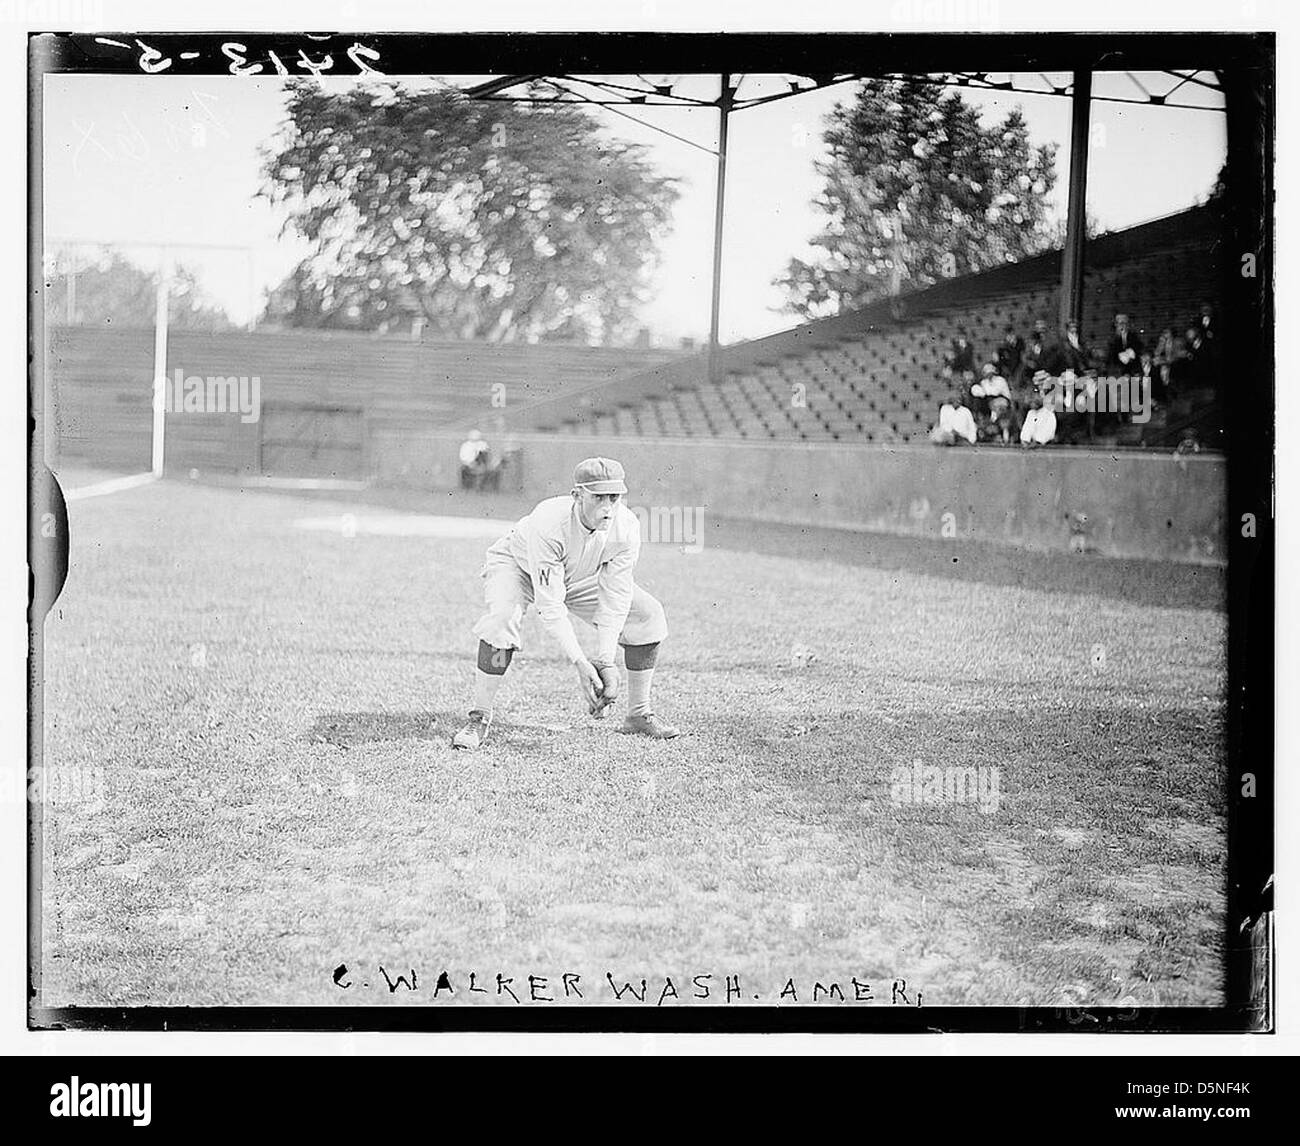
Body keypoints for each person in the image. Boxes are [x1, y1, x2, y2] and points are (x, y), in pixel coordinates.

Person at [451, 457, 679, 750]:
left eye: (615, 497)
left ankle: (638, 714)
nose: (608, 506)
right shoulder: (550, 521)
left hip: (577, 575)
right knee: (502, 619)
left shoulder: (626, 526)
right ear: (577, 496)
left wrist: (605, 659)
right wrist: (580, 663)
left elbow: (616, 597)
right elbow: (551, 606)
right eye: (598, 497)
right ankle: (480, 716)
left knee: (647, 614)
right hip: (517, 565)